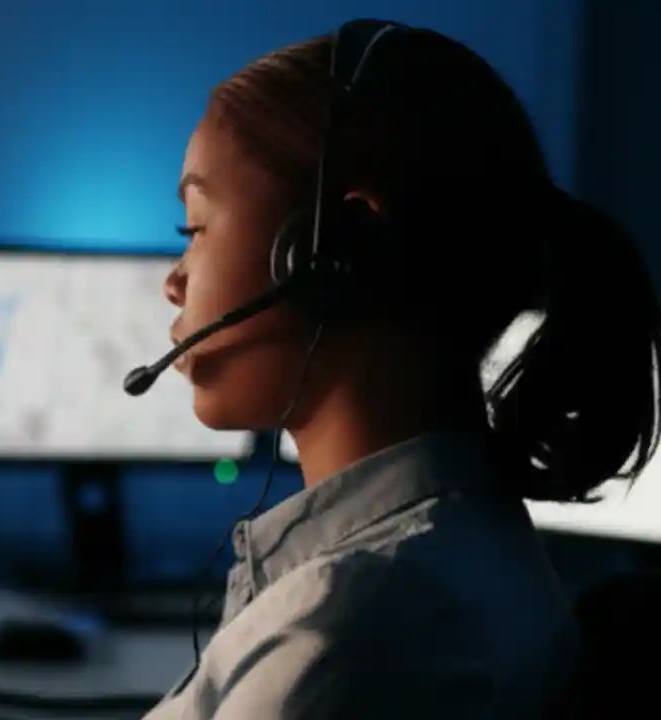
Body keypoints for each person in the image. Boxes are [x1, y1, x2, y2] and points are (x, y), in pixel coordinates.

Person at [144, 19, 661, 719]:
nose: (173, 282)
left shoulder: (342, 636)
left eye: (195, 229)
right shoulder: (468, 550)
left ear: (339, 251)